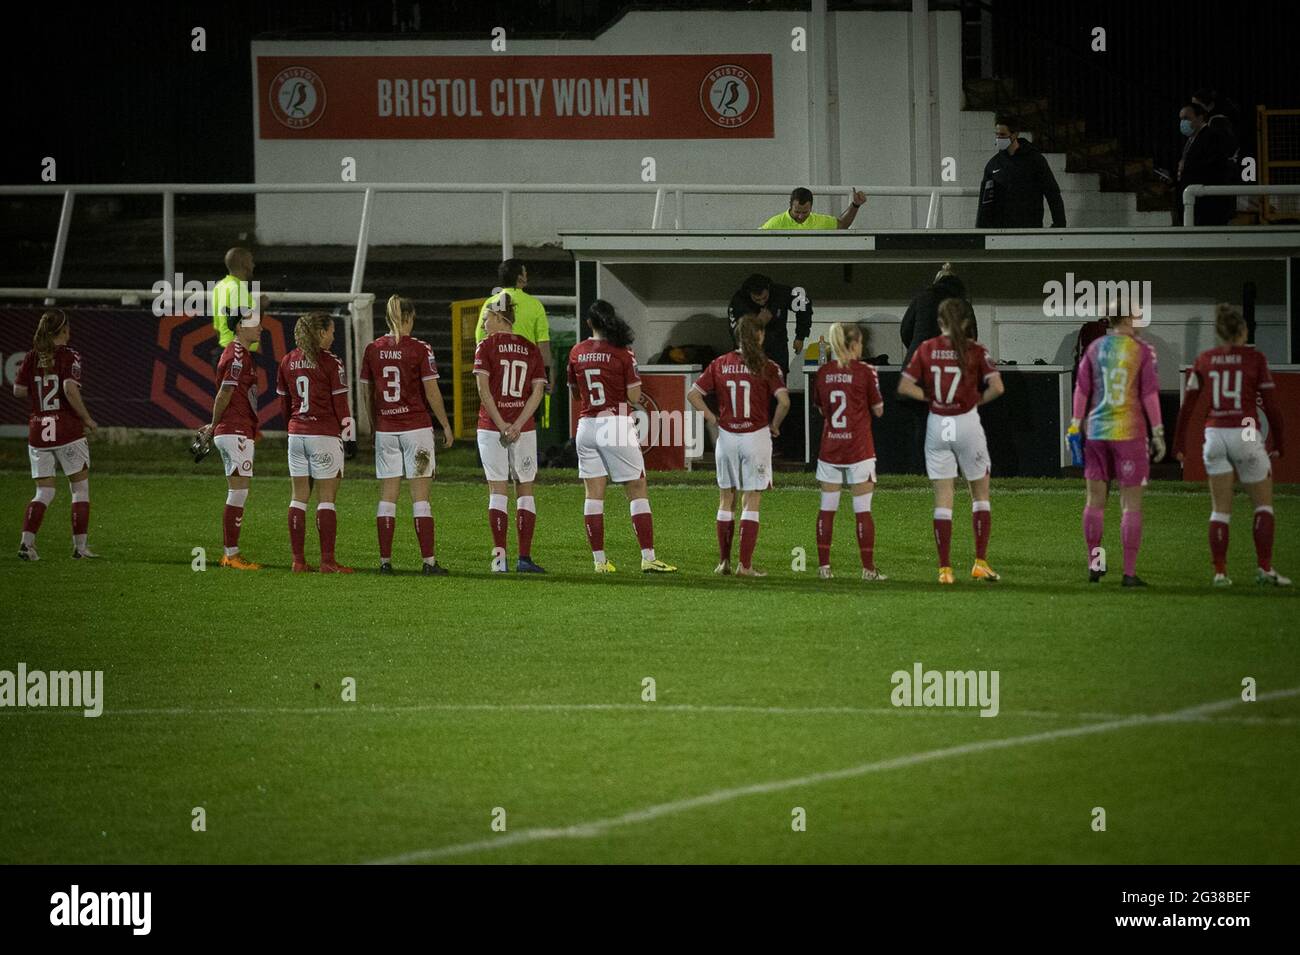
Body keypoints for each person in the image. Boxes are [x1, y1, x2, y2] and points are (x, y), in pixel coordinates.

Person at [1172, 304, 1289, 586]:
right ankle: (1264, 568)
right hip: (1246, 433)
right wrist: (1278, 442)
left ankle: (1221, 573)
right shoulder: (1255, 359)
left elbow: (1188, 407)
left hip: (1215, 434)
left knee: (1220, 509)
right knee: (1263, 506)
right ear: (1244, 330)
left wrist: (1180, 443)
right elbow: (1272, 408)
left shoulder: (1204, 359)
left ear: (1219, 333)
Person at [898, 298, 1004, 584]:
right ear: (967, 322)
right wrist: (977, 400)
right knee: (980, 495)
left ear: (939, 322)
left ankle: (945, 569)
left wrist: (929, 397)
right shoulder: (976, 350)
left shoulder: (926, 348)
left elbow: (905, 386)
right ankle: (980, 562)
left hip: (938, 422)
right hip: (966, 421)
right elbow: (997, 386)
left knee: (944, 498)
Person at [567, 300, 677, 574]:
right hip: (614, 422)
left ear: (589, 323)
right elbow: (633, 396)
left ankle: (600, 562)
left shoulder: (576, 352)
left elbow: (576, 393)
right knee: (637, 489)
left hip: (586, 426)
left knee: (593, 495)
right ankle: (648, 557)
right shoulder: (622, 352)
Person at [1067, 301, 1164, 587]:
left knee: (1095, 502)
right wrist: (1157, 430)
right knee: (1130, 505)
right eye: (1137, 314)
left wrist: (1075, 425)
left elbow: (1082, 389)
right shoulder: (1142, 351)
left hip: (1096, 432)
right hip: (1129, 434)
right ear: (1129, 319)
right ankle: (1129, 573)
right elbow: (1149, 394)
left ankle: (1095, 565)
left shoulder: (1095, 349)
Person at [689, 311, 790, 577]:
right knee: (751, 500)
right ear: (760, 335)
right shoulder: (768, 366)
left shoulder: (720, 363)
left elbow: (693, 395)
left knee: (726, 500)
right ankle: (745, 566)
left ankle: (724, 562)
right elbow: (785, 401)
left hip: (727, 437)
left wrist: (712, 418)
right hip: (755, 437)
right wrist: (775, 425)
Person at [359, 295, 454, 576]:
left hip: (387, 430)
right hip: (417, 432)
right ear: (409, 318)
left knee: (387, 497)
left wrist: (375, 425)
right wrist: (445, 425)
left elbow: (368, 392)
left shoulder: (373, 349)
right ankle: (428, 562)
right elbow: (432, 392)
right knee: (420, 498)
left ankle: (385, 562)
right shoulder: (420, 349)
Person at [14, 310, 98, 561]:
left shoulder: (31, 357)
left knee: (44, 492)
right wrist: (87, 418)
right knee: (79, 490)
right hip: (67, 430)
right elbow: (69, 389)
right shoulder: (70, 356)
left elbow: (19, 391)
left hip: (38, 430)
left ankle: (26, 544)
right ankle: (80, 549)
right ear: (64, 330)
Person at [474, 293, 549, 573]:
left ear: (499, 318)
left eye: (487, 318)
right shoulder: (531, 349)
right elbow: (537, 391)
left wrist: (503, 423)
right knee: (525, 491)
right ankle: (524, 559)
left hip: (492, 428)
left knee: (497, 491)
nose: (484, 323)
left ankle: (499, 560)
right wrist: (518, 423)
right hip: (524, 428)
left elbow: (483, 390)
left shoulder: (485, 348)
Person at [277, 313, 356, 574]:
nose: (333, 336)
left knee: (298, 498)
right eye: (331, 331)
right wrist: (349, 435)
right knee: (327, 499)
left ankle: (298, 561)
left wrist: (291, 428)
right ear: (320, 333)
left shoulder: (288, 360)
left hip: (296, 434)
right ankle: (327, 561)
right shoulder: (331, 362)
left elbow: (284, 404)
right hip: (323, 434)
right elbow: (341, 404)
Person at [812, 322, 886, 581]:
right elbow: (878, 409)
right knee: (862, 510)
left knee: (827, 508)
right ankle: (868, 569)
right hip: (859, 449)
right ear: (854, 345)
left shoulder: (822, 372)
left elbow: (821, 409)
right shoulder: (865, 371)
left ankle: (824, 568)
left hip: (830, 448)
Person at [196, 305, 264, 570]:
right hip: (233, 430)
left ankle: (231, 553)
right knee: (238, 492)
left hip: (238, 429)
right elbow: (224, 393)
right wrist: (214, 425)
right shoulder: (237, 356)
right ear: (238, 326)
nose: (260, 326)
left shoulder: (242, 354)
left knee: (238, 491)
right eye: (254, 322)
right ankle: (231, 555)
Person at [900, 264, 977, 473]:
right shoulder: (962, 304)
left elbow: (905, 330)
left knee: (922, 427)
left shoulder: (923, 297)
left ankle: (920, 472)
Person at [474, 259, 552, 395]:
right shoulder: (534, 305)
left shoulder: (490, 303)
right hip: (525, 376)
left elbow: (480, 340)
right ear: (520, 278)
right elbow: (543, 345)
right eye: (525, 273)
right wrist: (546, 376)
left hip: (497, 376)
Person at [976, 116, 1066, 228]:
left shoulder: (1035, 160)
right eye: (997, 134)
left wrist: (1059, 224)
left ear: (1014, 135)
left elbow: (1052, 193)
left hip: (1029, 227)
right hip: (1000, 229)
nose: (998, 138)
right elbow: (985, 201)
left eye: (1002, 135)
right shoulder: (993, 164)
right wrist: (981, 229)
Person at [727, 273, 813, 379]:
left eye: (764, 298)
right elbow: (736, 334)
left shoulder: (780, 293)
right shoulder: (738, 302)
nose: (762, 302)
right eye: (757, 300)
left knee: (778, 383)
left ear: (768, 289)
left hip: (777, 348)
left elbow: (804, 304)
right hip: (749, 352)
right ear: (750, 294)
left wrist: (800, 336)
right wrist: (757, 322)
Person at [1174, 102, 1234, 226]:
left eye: (1186, 118)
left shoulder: (1211, 137)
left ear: (1200, 118)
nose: (1183, 123)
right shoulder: (1191, 139)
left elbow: (1214, 167)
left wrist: (1186, 167)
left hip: (1207, 207)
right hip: (1194, 205)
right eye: (1181, 119)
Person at [210, 247, 261, 364]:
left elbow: (217, 328)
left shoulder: (220, 286)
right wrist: (261, 307)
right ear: (244, 264)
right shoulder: (238, 289)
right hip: (238, 355)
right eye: (251, 261)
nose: (253, 265)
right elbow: (244, 324)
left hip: (224, 352)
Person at [761, 187, 867, 230]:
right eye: (797, 212)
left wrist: (855, 205)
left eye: (805, 212)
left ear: (811, 207)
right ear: (790, 205)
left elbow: (842, 224)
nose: (801, 216)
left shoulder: (820, 221)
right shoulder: (774, 223)